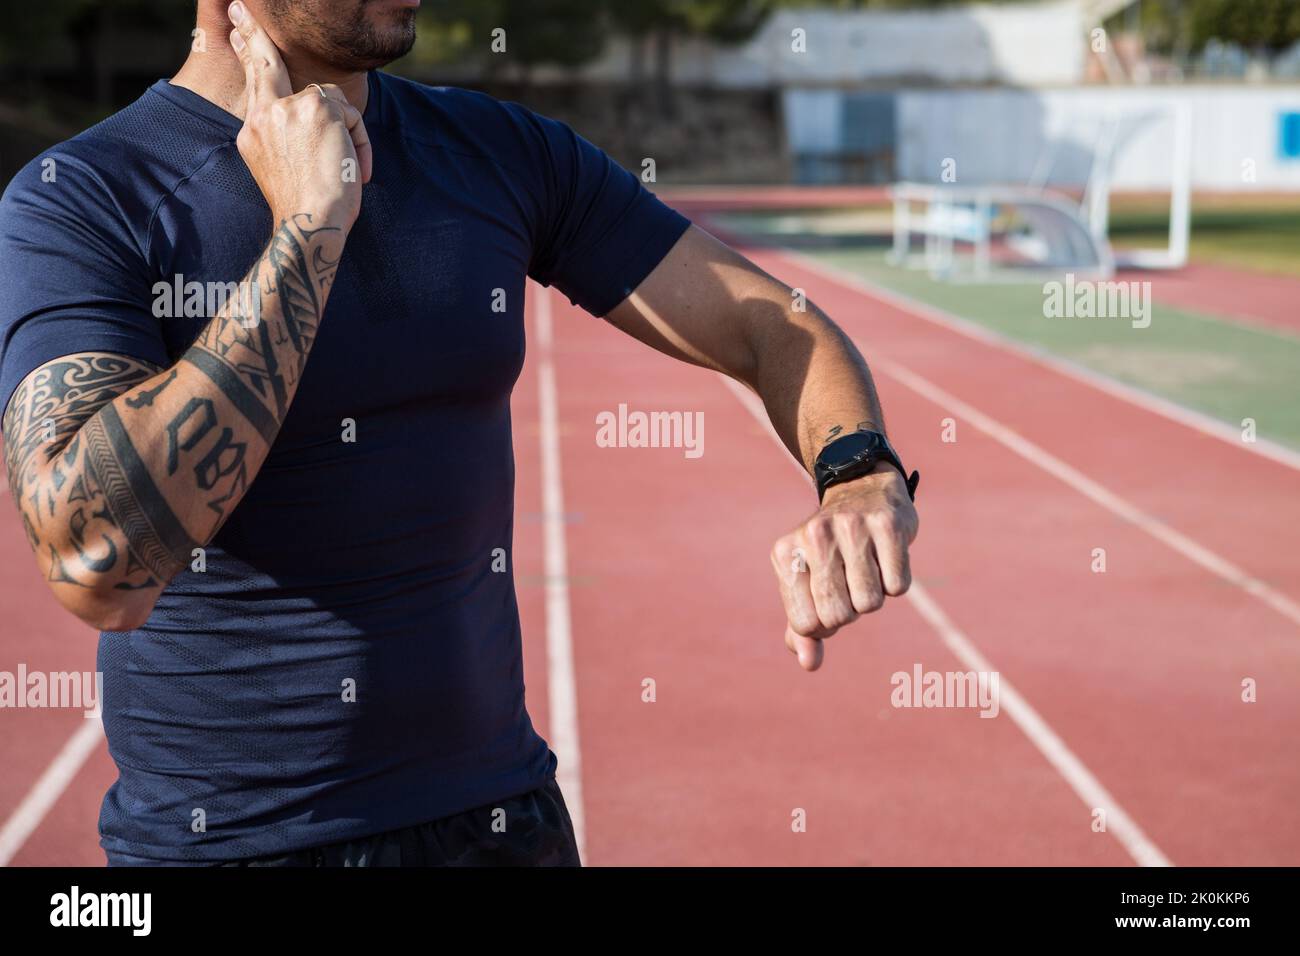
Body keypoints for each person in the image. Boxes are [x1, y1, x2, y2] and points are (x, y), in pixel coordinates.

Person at [0, 0, 919, 866]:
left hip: (499, 821)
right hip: (233, 843)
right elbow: (97, 562)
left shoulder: (494, 151)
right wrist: (311, 229)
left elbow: (772, 322)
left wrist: (857, 471)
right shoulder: (81, 198)